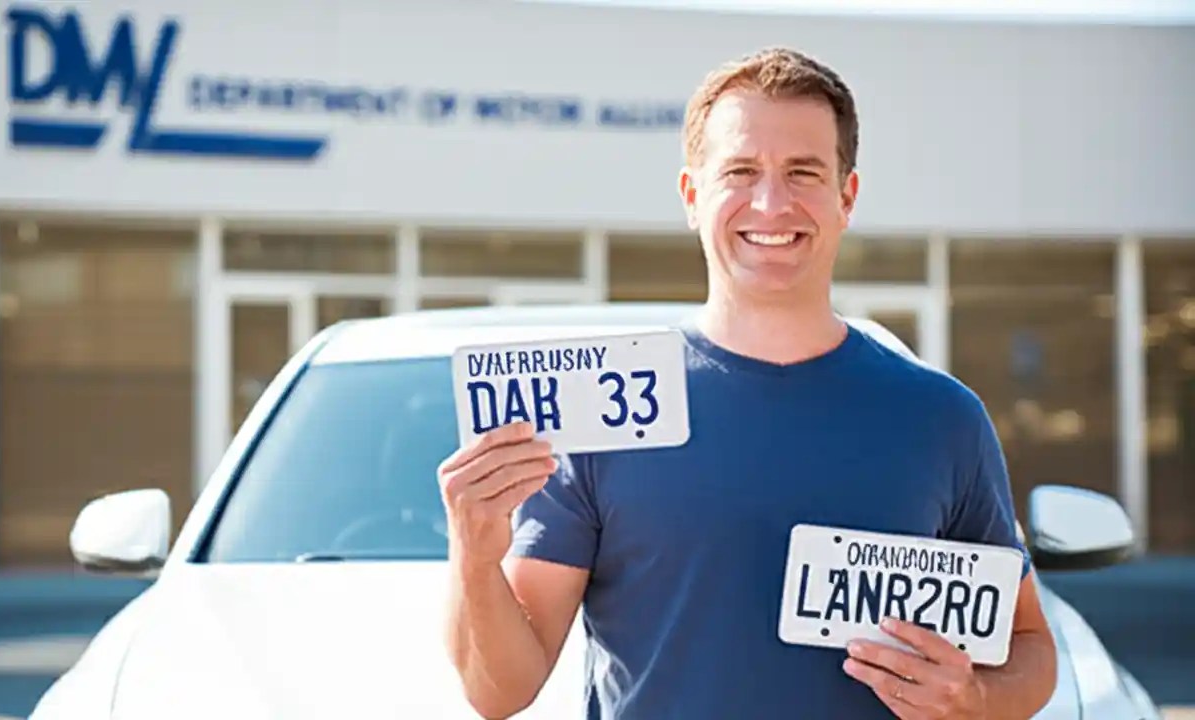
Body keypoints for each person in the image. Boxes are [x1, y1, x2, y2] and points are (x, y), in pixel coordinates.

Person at [438, 46, 1057, 719]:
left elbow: (1029, 649)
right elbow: (499, 692)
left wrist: (976, 697)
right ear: (692, 196)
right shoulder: (602, 407)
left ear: (845, 197)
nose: (771, 202)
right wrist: (474, 555)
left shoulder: (942, 419)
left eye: (803, 172)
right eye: (740, 170)